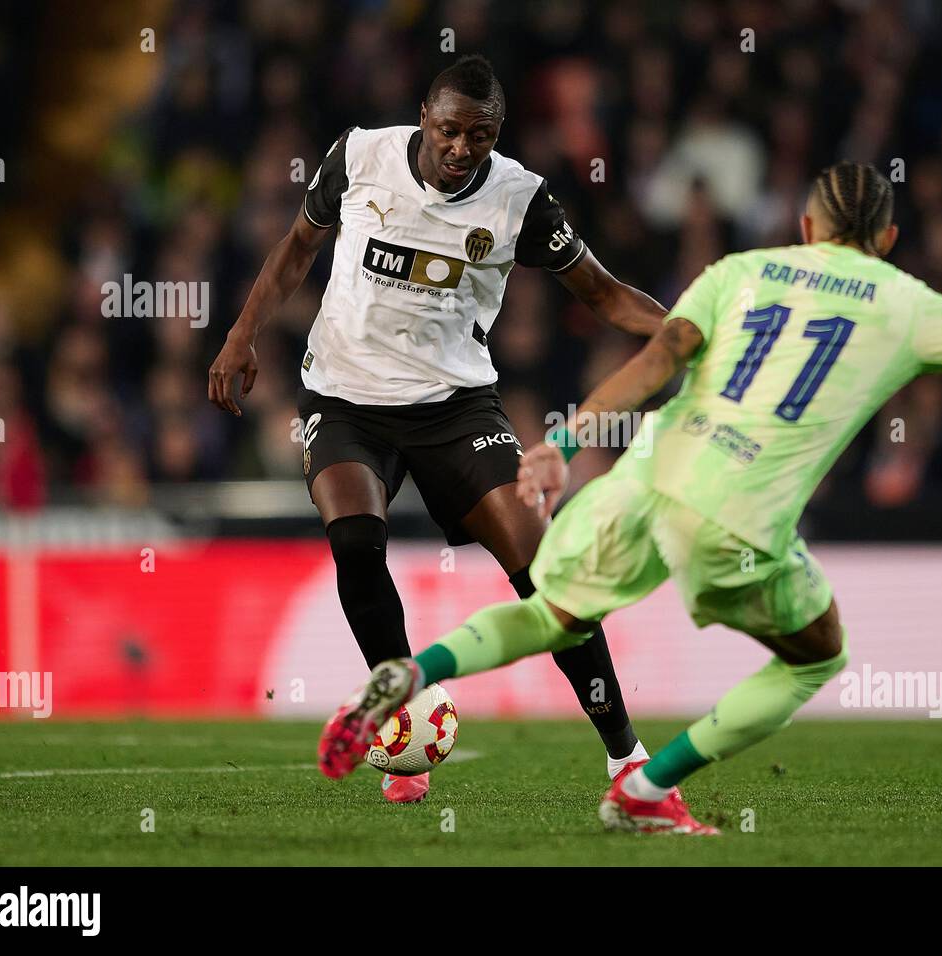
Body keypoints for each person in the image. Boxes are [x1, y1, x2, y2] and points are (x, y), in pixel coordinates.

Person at [317, 161, 942, 833]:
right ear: (887, 239)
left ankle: (413, 673)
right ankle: (646, 787)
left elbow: (659, 357)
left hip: (646, 476)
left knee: (551, 614)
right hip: (738, 515)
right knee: (816, 654)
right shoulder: (913, 304)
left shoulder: (740, 272)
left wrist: (564, 446)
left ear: (807, 228)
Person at [208, 55, 668, 804]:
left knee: (546, 576)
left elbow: (606, 295)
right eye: (450, 130)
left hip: (456, 406)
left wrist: (690, 329)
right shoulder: (362, 155)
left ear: (498, 134)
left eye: (479, 136)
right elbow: (297, 248)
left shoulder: (522, 199)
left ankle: (628, 760)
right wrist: (241, 334)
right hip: (346, 398)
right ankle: (404, 731)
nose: (461, 148)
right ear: (425, 115)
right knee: (355, 541)